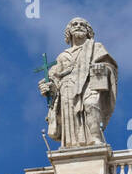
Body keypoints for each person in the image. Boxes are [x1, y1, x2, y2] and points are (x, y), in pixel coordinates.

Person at [39, 18, 118, 148]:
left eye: (83, 24)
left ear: (88, 31)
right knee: (69, 118)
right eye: (74, 24)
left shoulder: (96, 47)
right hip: (67, 88)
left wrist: (102, 67)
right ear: (69, 31)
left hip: (90, 83)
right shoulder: (62, 56)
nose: (79, 26)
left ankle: (95, 138)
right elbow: (55, 78)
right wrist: (49, 87)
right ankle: (72, 146)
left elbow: (109, 66)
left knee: (91, 105)